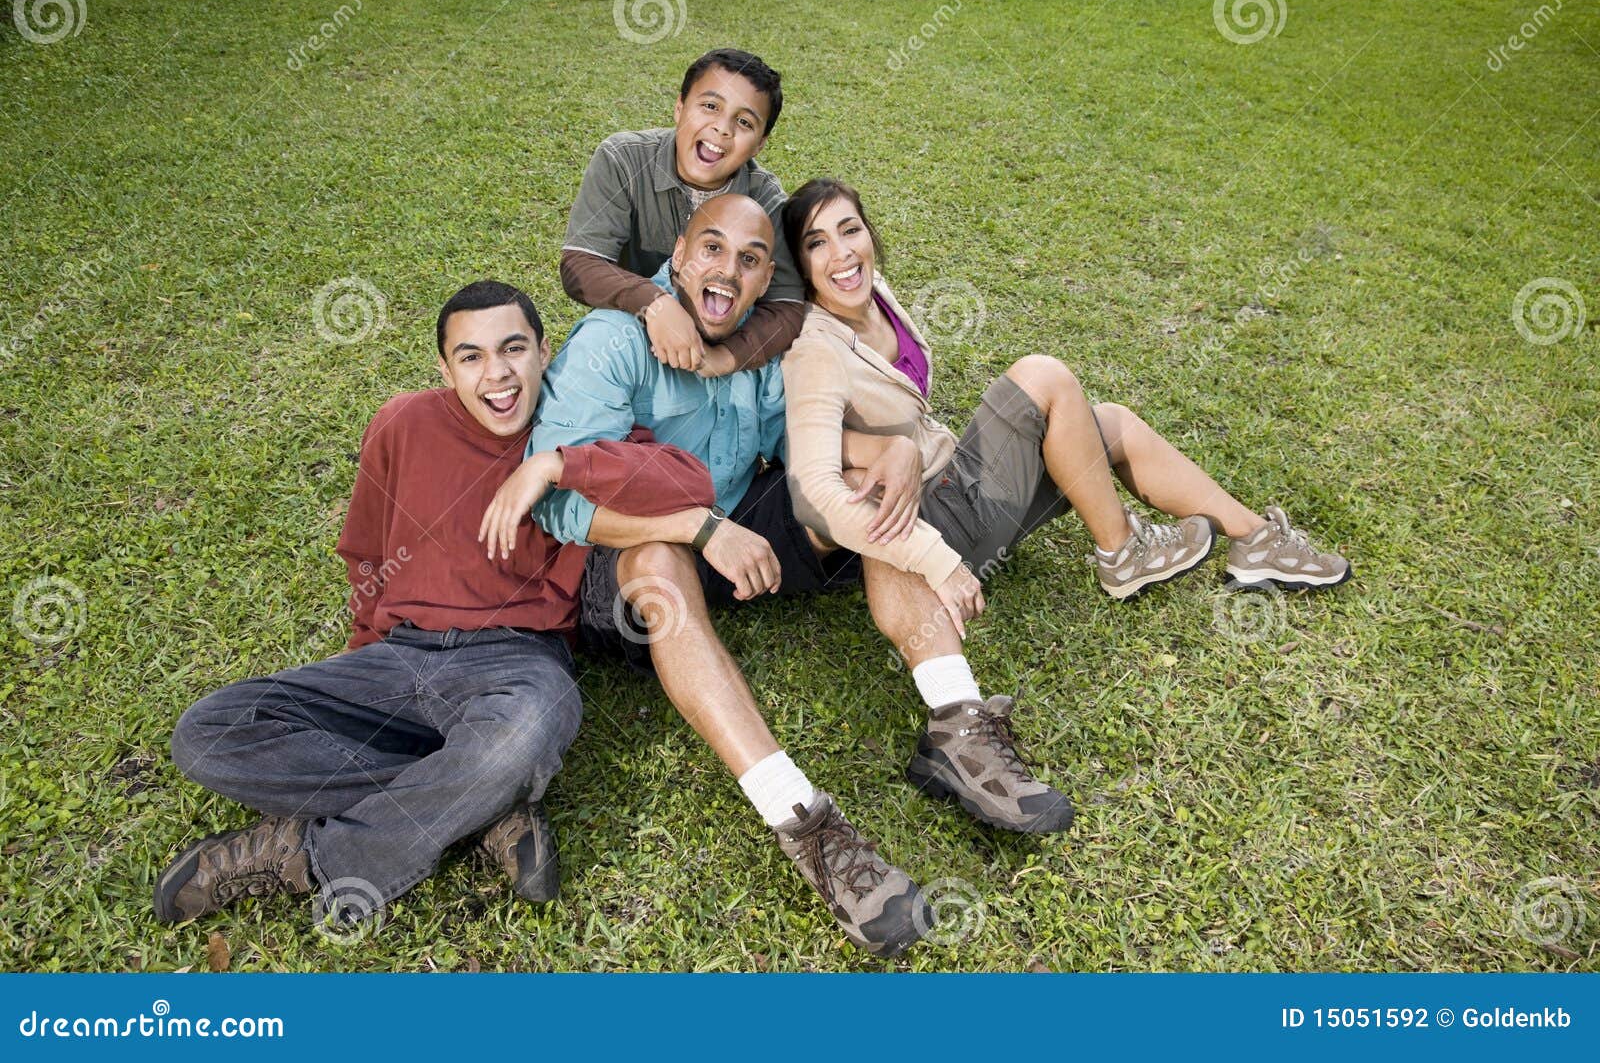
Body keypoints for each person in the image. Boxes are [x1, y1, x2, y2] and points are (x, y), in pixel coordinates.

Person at [484, 194, 1076, 957]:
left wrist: (889, 450)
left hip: (726, 527)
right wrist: (701, 529)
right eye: (712, 249)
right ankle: (805, 822)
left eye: (752, 259)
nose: (727, 271)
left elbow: (808, 446)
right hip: (614, 565)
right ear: (679, 253)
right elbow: (561, 505)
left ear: (768, 281)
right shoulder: (612, 341)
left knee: (864, 491)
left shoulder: (758, 354)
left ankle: (956, 721)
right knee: (661, 564)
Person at [155, 280, 714, 933]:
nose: (497, 373)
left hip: (517, 663)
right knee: (205, 734)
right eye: (471, 356)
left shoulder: (579, 427)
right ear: (445, 369)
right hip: (398, 656)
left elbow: (688, 481)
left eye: (513, 349)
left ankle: (307, 854)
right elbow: (366, 553)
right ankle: (483, 804)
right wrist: (366, 656)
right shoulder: (402, 424)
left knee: (523, 733)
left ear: (543, 351)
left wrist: (557, 465)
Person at [779, 177, 1352, 618]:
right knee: (1043, 376)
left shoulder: (874, 291)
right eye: (817, 243)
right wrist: (930, 555)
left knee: (1113, 423)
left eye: (850, 230)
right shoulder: (815, 351)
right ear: (801, 265)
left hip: (965, 490)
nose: (842, 254)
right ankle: (1122, 554)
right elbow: (812, 488)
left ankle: (1256, 542)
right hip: (937, 523)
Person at [560, 47, 805, 376]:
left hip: (720, 346)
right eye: (709, 106)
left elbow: (787, 307)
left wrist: (725, 359)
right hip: (634, 338)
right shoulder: (623, 159)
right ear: (679, 107)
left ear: (760, 144)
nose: (722, 129)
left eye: (744, 122)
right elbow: (580, 263)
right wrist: (655, 303)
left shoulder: (766, 200)